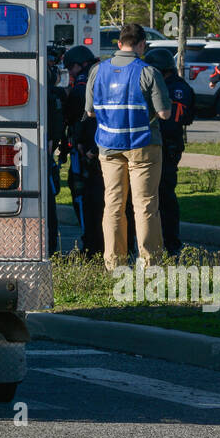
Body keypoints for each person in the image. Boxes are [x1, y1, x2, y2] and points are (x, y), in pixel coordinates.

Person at [83, 23, 171, 269]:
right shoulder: (148, 72)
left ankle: (114, 264)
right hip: (143, 145)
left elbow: (90, 111)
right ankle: (150, 262)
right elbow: (164, 113)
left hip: (109, 146)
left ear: (119, 44)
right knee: (144, 205)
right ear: (142, 45)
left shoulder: (97, 71)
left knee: (113, 204)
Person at [145, 49, 195, 257]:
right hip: (173, 147)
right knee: (165, 195)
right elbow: (189, 117)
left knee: (159, 196)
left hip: (163, 145)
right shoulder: (184, 87)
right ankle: (169, 244)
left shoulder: (166, 88)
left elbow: (168, 120)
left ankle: (168, 243)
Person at [61, 45, 104, 256]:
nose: (70, 73)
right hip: (104, 148)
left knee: (83, 197)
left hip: (86, 152)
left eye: (71, 69)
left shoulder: (81, 88)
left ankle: (91, 246)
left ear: (79, 65)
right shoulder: (102, 76)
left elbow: (75, 119)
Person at [45, 49, 66, 256]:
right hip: (47, 152)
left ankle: (50, 245)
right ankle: (50, 246)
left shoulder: (52, 95)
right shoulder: (54, 95)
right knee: (50, 197)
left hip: (46, 150)